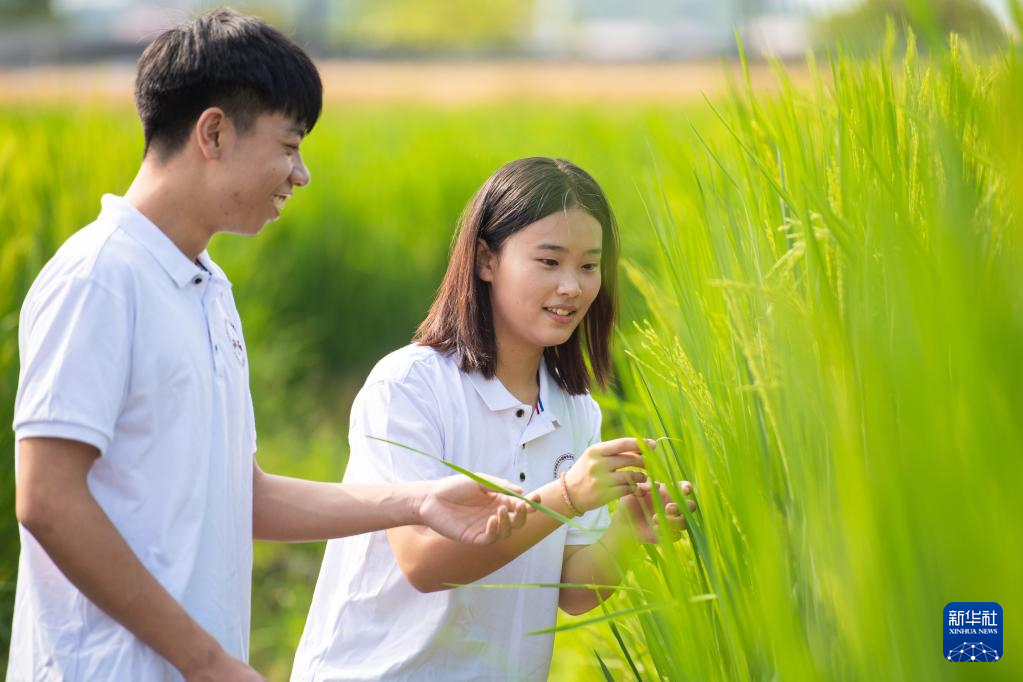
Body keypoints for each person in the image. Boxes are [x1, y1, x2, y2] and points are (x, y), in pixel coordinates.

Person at [9, 10, 534, 681]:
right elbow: (47, 499)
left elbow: (241, 495)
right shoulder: (102, 278)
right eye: (289, 146)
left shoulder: (206, 289)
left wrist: (415, 502)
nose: (301, 174)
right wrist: (204, 661)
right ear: (214, 133)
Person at [291, 157, 697, 681]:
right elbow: (423, 564)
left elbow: (573, 589)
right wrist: (566, 496)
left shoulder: (575, 409)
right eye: (549, 262)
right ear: (487, 260)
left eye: (589, 265)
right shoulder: (411, 386)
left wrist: (627, 531)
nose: (572, 287)